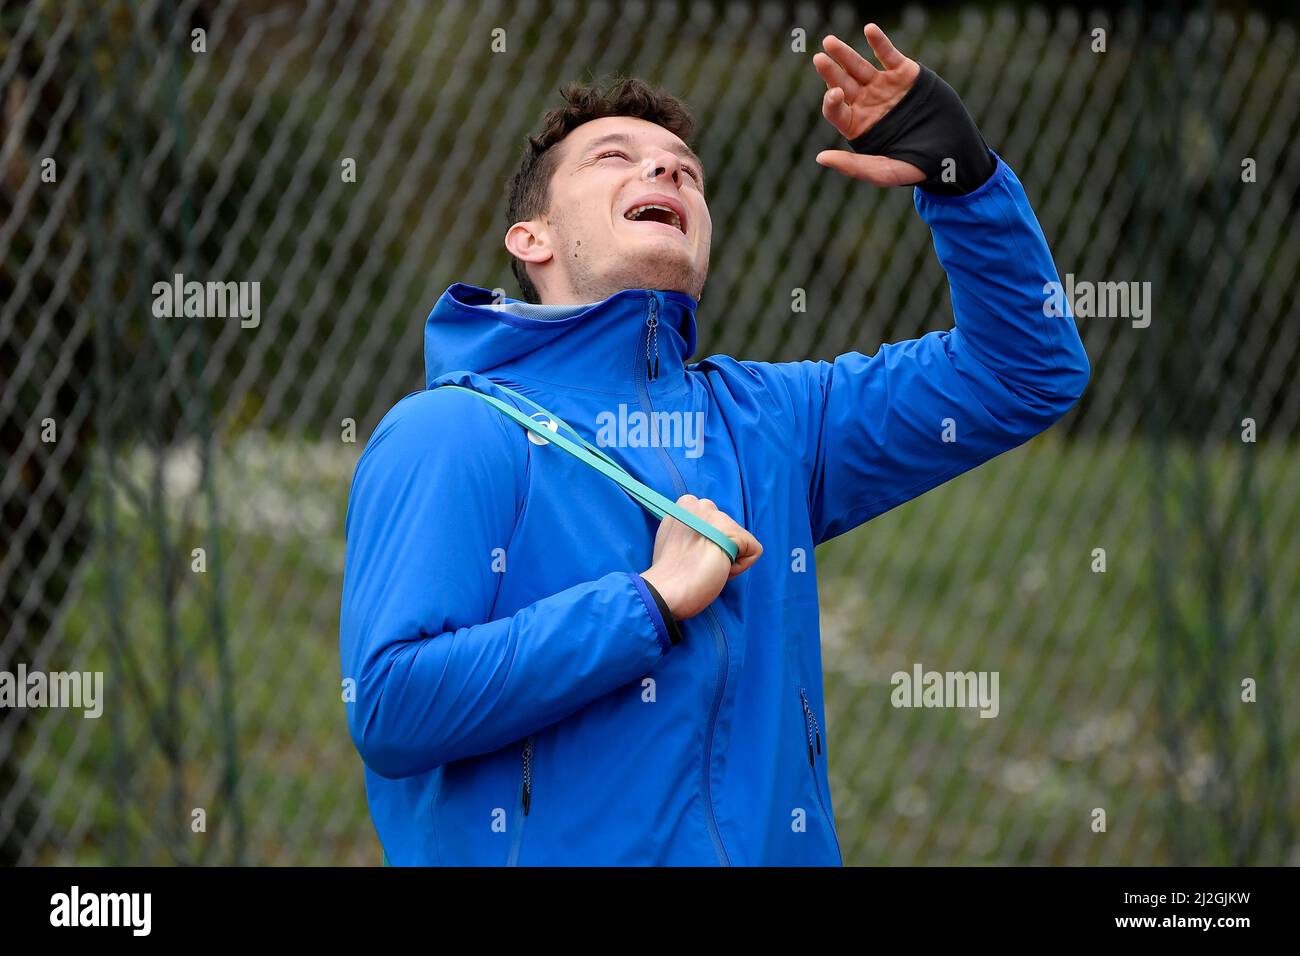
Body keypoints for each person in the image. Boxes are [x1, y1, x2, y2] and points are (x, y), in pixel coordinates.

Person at [339, 22, 1089, 865]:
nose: (665, 170)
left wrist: (964, 179)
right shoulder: (453, 431)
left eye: (686, 171)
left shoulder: (772, 421)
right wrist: (648, 604)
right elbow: (390, 705)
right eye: (613, 158)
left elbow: (1025, 372)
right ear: (531, 238)